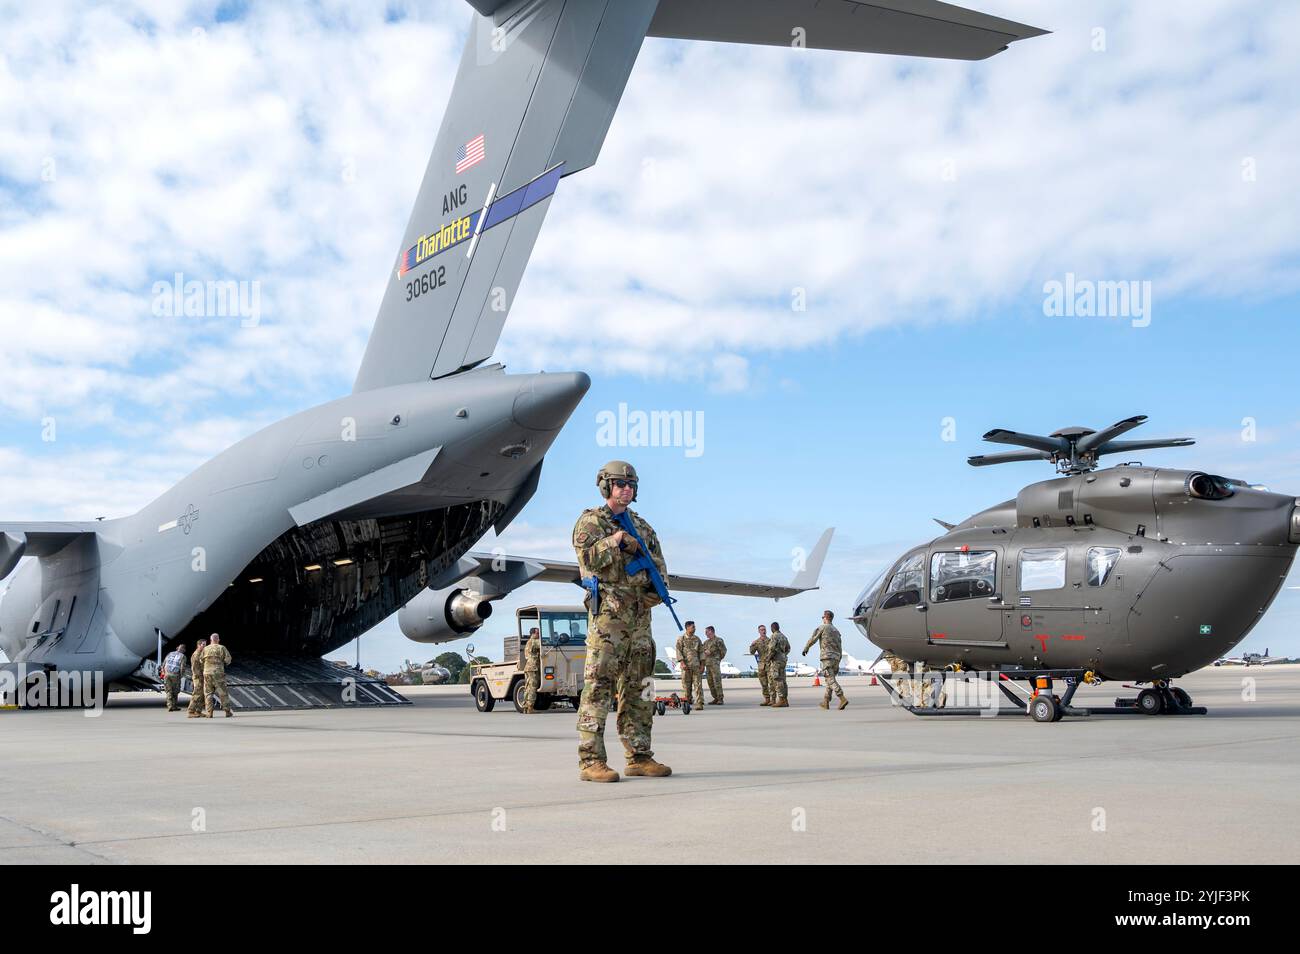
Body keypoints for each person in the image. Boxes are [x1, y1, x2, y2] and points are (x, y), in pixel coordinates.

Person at [572, 461, 672, 782]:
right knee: (598, 687)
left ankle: (639, 755)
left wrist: (653, 596)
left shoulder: (644, 528)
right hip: (609, 622)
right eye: (619, 484)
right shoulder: (592, 523)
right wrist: (615, 540)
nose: (625, 489)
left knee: (640, 688)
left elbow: (660, 571)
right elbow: (587, 560)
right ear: (606, 487)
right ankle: (591, 761)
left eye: (630, 484)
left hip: (640, 622)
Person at [802, 610, 848, 710]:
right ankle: (826, 701)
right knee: (829, 681)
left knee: (830, 680)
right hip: (836, 657)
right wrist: (839, 658)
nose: (822, 619)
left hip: (827, 657)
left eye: (823, 617)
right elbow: (840, 646)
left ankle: (842, 698)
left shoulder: (822, 627)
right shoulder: (836, 630)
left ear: (826, 617)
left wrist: (806, 648)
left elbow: (813, 639)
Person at [201, 633, 234, 718]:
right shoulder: (221, 648)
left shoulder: (205, 648)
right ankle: (227, 712)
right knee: (222, 693)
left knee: (208, 693)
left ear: (210, 640)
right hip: (218, 673)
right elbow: (228, 660)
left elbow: (201, 660)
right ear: (218, 639)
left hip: (207, 673)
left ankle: (209, 713)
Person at [674, 620, 705, 711]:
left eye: (694, 627)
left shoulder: (697, 639)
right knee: (686, 686)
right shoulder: (681, 639)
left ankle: (699, 703)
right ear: (687, 628)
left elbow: (701, 652)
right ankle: (687, 702)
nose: (694, 628)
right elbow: (678, 651)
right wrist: (682, 663)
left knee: (698, 685)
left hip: (696, 666)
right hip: (686, 666)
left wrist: (702, 665)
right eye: (693, 627)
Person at [700, 625, 727, 705]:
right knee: (710, 682)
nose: (705, 634)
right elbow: (702, 652)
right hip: (707, 664)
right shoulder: (705, 642)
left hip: (715, 664)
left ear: (711, 631)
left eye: (707, 632)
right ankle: (715, 698)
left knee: (717, 681)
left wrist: (717, 659)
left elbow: (723, 651)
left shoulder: (718, 640)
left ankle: (720, 698)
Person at [767, 622, 791, 707]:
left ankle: (781, 700)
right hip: (783, 660)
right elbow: (788, 648)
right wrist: (784, 655)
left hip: (776, 660)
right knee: (783, 680)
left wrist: (768, 658)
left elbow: (772, 649)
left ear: (772, 628)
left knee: (777, 679)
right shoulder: (783, 636)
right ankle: (785, 699)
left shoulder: (774, 636)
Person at [749, 625, 771, 705]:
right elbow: (752, 652)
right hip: (761, 666)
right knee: (764, 683)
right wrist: (752, 645)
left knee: (771, 683)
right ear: (759, 631)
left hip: (769, 665)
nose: (763, 631)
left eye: (764, 629)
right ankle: (767, 699)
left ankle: (773, 700)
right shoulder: (756, 642)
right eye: (761, 630)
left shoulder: (770, 641)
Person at [185, 638, 208, 718]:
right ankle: (191, 711)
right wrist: (201, 677)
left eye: (205, 644)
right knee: (196, 694)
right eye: (203, 644)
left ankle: (198, 711)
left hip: (202, 677)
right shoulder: (196, 655)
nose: (205, 646)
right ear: (199, 645)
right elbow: (195, 668)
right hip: (198, 677)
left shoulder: (202, 653)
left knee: (201, 695)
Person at [161, 643, 187, 712]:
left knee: (169, 691)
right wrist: (181, 675)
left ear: (177, 648)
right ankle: (174, 706)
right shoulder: (183, 656)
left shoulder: (170, 654)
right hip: (175, 675)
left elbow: (164, 664)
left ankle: (169, 705)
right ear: (184, 650)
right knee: (175, 691)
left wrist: (163, 672)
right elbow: (182, 668)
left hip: (167, 674)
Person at [522, 626, 542, 713]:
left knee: (528, 687)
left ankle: (525, 706)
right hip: (533, 667)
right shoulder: (534, 641)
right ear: (533, 633)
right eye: (538, 633)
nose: (539, 635)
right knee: (532, 688)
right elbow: (543, 644)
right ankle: (530, 708)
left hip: (528, 667)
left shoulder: (529, 642)